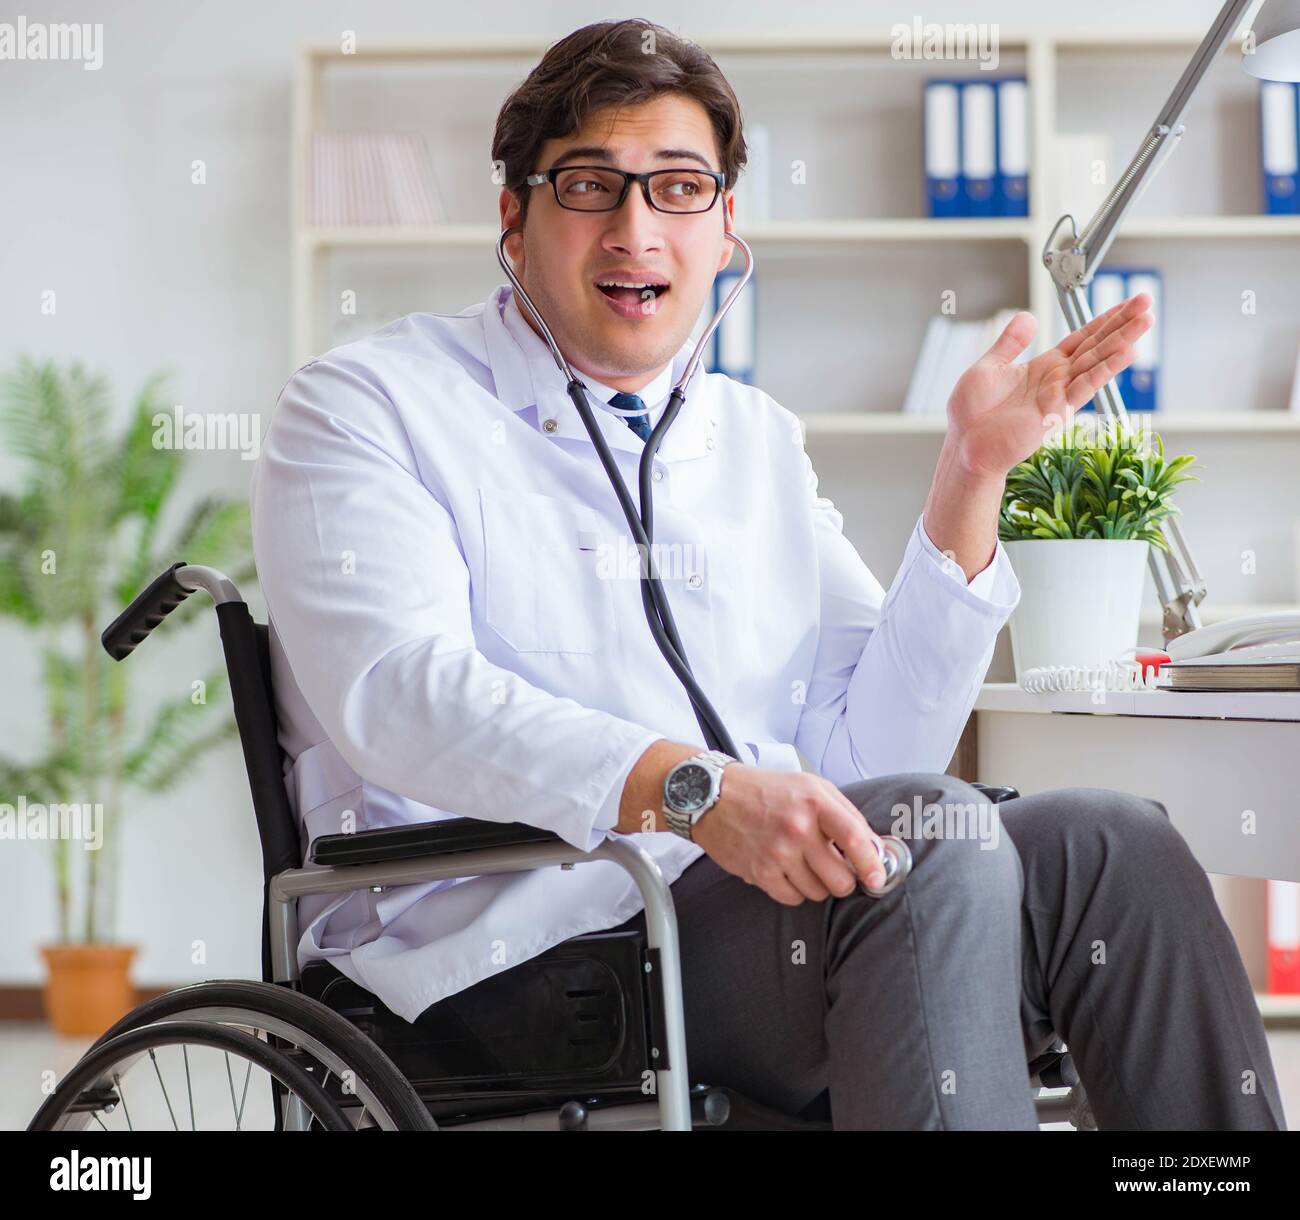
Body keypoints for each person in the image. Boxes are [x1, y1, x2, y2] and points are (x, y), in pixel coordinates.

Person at [249, 18, 1285, 1129]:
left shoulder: (749, 435)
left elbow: (874, 760)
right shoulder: (365, 403)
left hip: (737, 931)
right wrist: (695, 790)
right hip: (496, 956)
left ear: (725, 222)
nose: (635, 228)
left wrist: (969, 474)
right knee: (916, 860)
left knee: (1109, 841)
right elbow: (400, 692)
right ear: (516, 216)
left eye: (679, 187)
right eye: (592, 185)